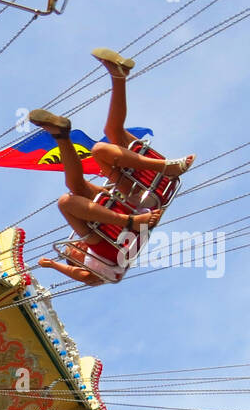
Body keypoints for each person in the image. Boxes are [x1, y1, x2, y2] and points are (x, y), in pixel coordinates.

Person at [31, 48, 194, 286]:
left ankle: (67, 130)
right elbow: (85, 278)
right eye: (73, 254)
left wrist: (102, 193)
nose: (74, 247)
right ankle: (166, 167)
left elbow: (95, 195)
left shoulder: (94, 234)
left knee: (102, 147)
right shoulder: (97, 262)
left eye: (72, 250)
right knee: (66, 201)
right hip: (131, 216)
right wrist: (54, 265)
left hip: (128, 207)